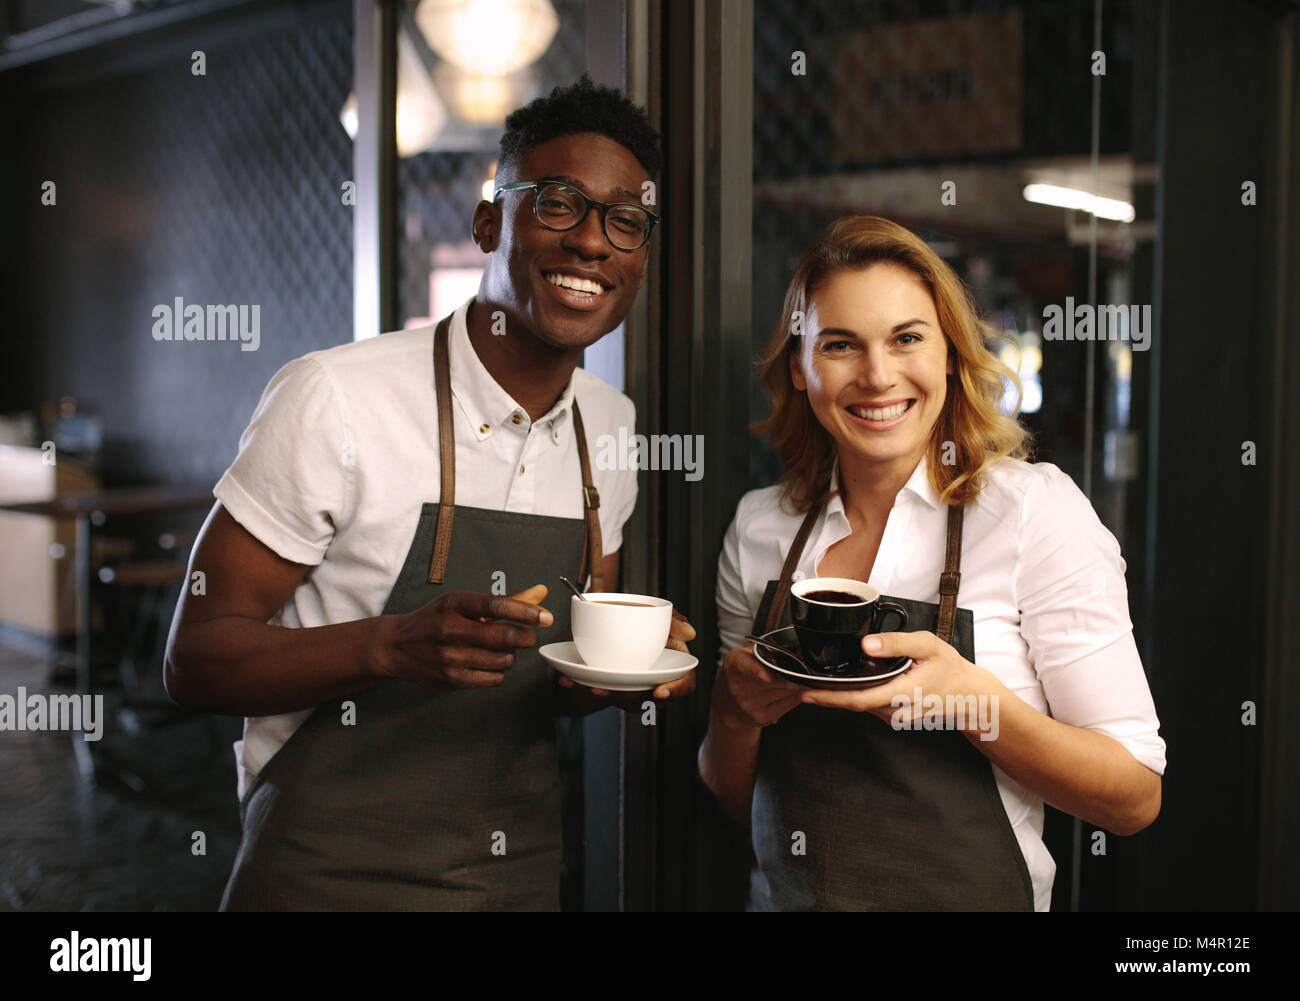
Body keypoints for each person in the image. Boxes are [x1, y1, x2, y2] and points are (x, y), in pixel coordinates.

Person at [164, 75, 696, 911]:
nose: (594, 242)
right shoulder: (334, 397)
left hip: (513, 879)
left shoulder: (612, 426)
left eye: (626, 220)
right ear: (489, 222)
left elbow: (555, 684)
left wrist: (618, 677)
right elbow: (193, 660)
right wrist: (387, 647)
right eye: (559, 203)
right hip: (320, 879)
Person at [698, 216, 1165, 911]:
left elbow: (1133, 797)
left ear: (949, 351)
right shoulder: (760, 528)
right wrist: (732, 717)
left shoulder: (1034, 513)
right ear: (799, 366)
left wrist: (975, 706)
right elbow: (743, 803)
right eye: (840, 344)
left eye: (907, 338)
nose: (878, 375)